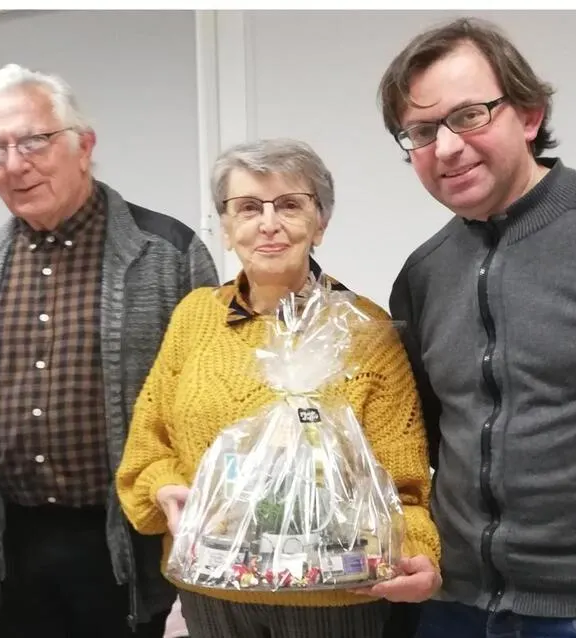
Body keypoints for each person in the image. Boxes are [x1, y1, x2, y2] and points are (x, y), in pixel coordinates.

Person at [379, 17, 576, 638]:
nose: (445, 147)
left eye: (469, 115)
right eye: (420, 131)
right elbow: (429, 442)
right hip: (459, 605)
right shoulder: (423, 274)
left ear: (528, 115)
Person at [116, 138, 442, 638]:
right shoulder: (194, 318)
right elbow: (148, 445)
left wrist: (417, 556)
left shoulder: (366, 329)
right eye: (247, 208)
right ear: (225, 228)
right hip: (213, 590)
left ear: (321, 223)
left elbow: (405, 484)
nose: (268, 223)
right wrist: (164, 490)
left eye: (290, 204)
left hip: (335, 597)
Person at [0, 63, 219, 638]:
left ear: (84, 145)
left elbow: (207, 404)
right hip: (13, 550)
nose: (15, 164)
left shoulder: (167, 254)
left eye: (34, 141)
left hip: (128, 545)